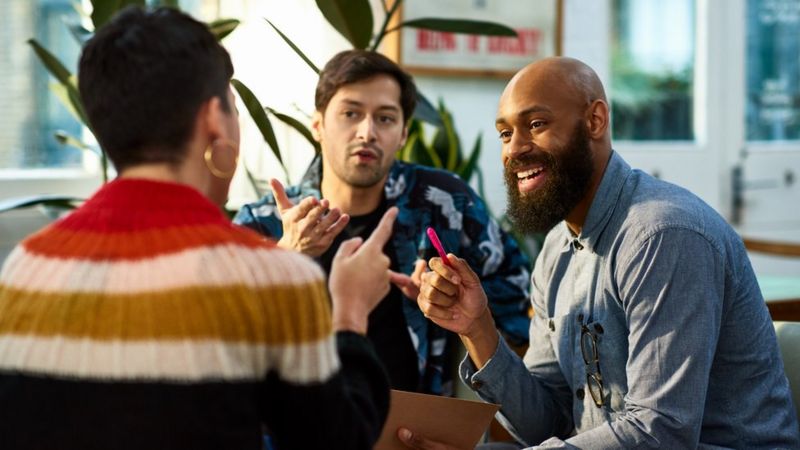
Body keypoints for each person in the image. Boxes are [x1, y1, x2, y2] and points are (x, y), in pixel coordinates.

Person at [0, 7, 395, 450]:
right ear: (213, 121)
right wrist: (349, 312)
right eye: (232, 107)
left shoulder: (24, 266)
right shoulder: (275, 277)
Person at [398, 57, 800, 449]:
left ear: (594, 120)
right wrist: (477, 328)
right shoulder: (556, 251)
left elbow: (660, 432)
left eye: (536, 125)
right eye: (505, 134)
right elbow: (549, 424)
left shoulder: (662, 235)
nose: (515, 149)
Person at [234, 50, 532, 395]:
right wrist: (285, 257)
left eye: (385, 118)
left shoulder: (444, 202)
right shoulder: (265, 222)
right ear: (318, 125)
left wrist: (454, 298)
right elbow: (213, 338)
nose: (367, 132)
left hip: (415, 431)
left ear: (404, 134)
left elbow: (518, 291)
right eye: (350, 113)